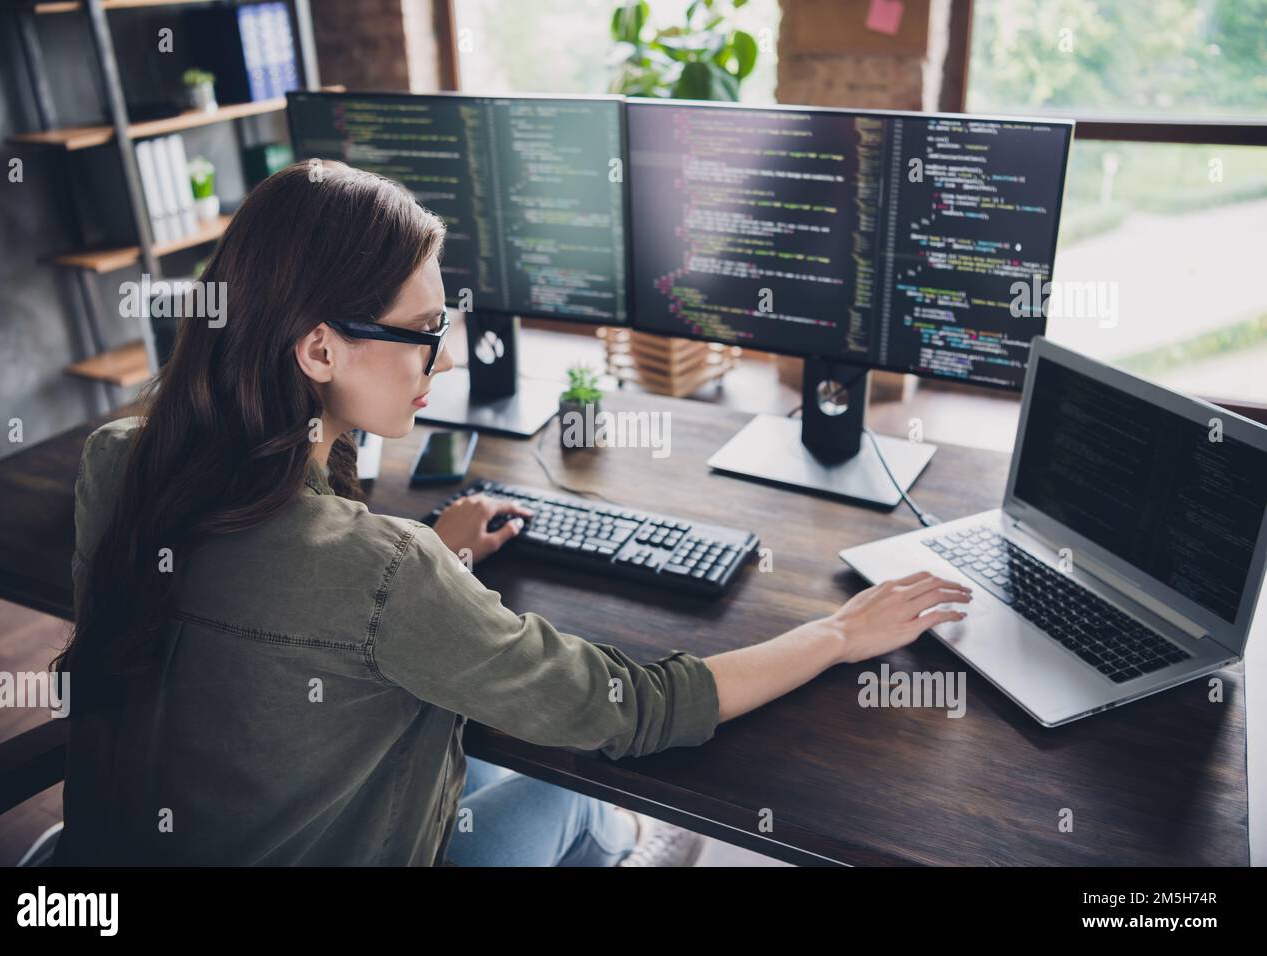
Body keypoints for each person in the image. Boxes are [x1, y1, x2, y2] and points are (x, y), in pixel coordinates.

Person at [52, 160, 971, 867]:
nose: (442, 362)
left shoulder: (120, 464)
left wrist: (423, 550)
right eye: (422, 334)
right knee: (575, 788)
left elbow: (285, 595)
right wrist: (839, 635)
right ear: (319, 349)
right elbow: (635, 708)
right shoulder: (383, 572)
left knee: (480, 748)